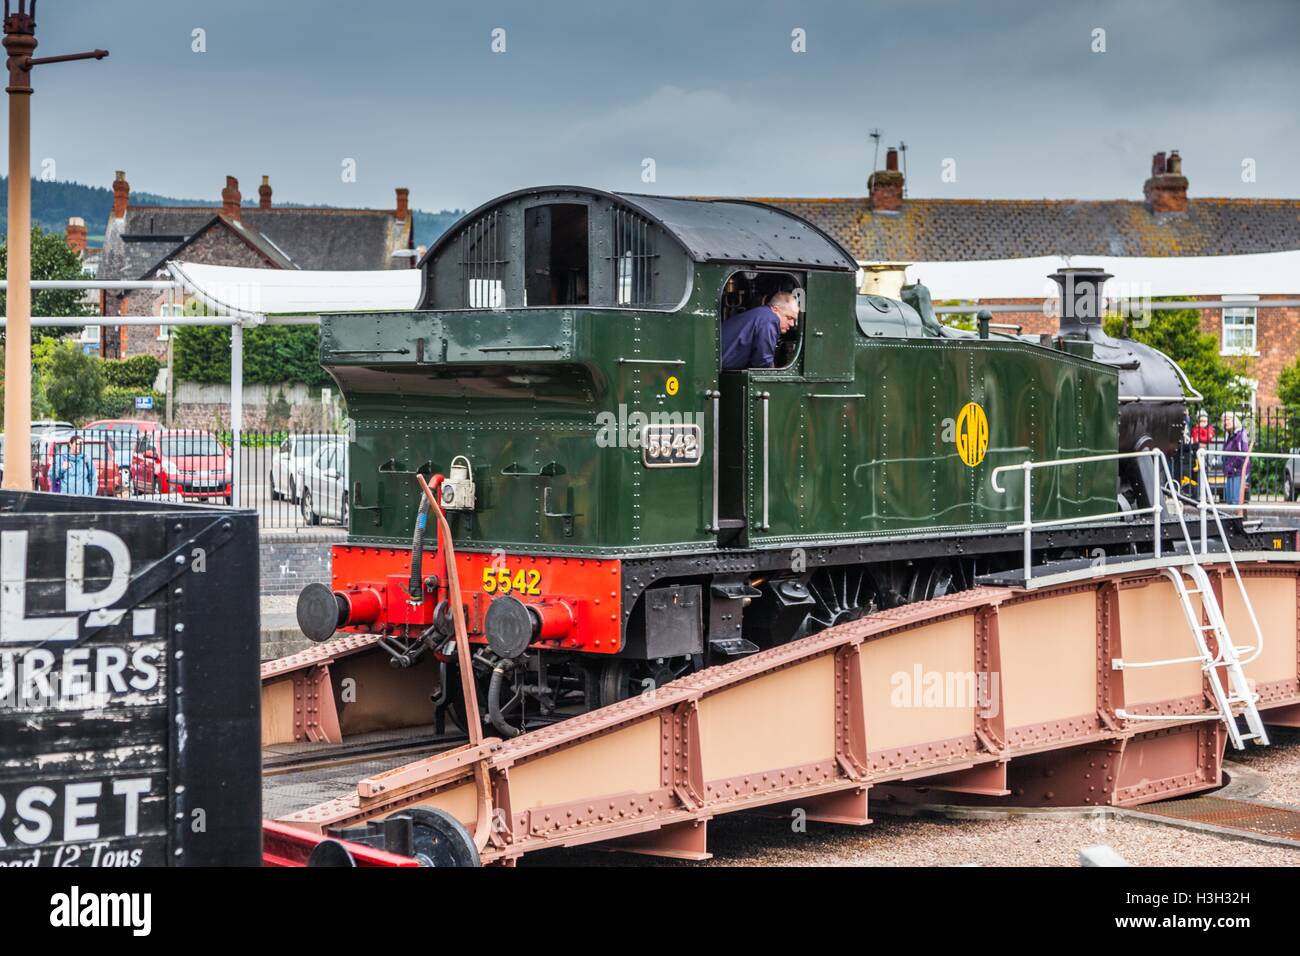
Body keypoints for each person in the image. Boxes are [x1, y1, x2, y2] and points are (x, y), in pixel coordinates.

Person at [720, 291, 800, 370]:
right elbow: (763, 363)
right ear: (775, 309)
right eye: (789, 318)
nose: (792, 324)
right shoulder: (769, 319)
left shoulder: (760, 314)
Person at [1221, 412, 1250, 508]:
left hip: (1238, 472)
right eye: (1224, 420)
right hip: (1230, 472)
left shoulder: (1241, 434)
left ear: (1234, 420)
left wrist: (1233, 466)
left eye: (1228, 419)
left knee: (1235, 502)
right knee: (1229, 502)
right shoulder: (1229, 435)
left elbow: (1244, 453)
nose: (1226, 422)